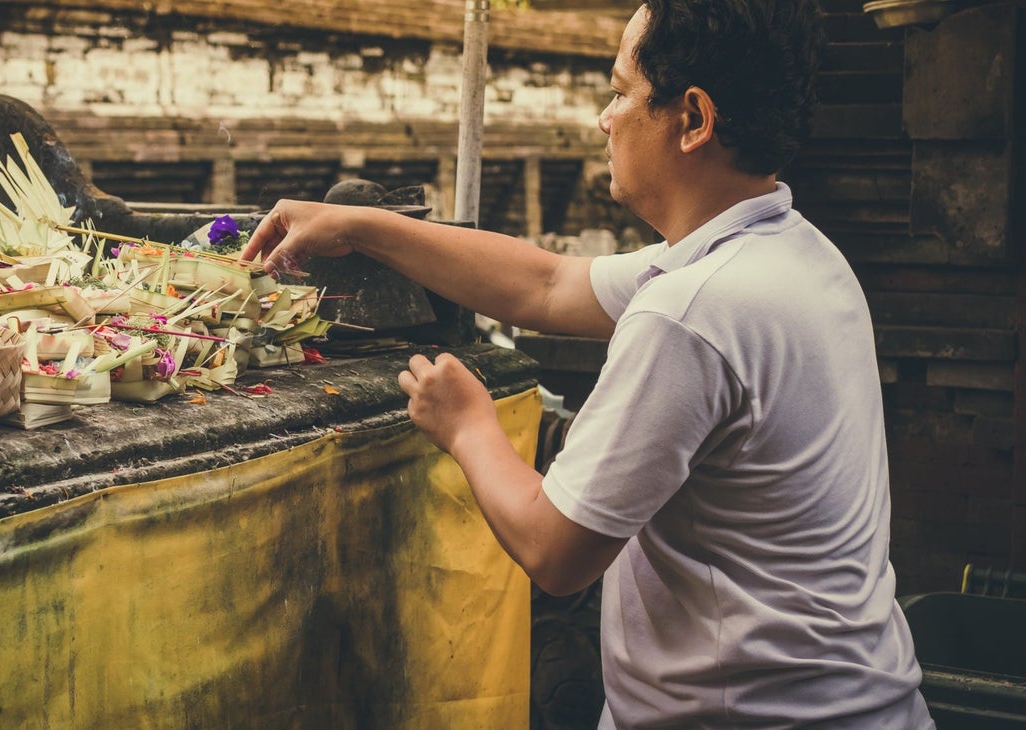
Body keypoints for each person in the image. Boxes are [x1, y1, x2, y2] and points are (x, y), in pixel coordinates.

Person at [241, 0, 934, 726]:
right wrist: (360, 226)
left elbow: (555, 548)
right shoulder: (793, 252)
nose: (604, 119)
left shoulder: (692, 313)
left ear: (692, 120)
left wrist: (469, 425)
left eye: (620, 91)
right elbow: (548, 283)